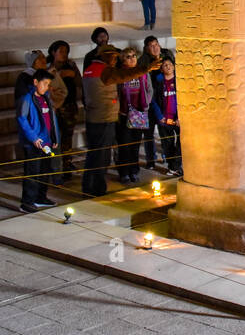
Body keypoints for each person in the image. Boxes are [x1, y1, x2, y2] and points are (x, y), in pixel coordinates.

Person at [81, 44, 160, 197]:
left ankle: (90, 186)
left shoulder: (90, 69)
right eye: (113, 56)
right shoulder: (103, 70)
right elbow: (123, 76)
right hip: (103, 119)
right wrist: (146, 68)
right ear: (105, 55)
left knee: (95, 155)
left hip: (96, 117)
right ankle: (95, 189)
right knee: (100, 157)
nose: (115, 59)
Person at [16, 69, 60, 212]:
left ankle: (41, 197)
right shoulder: (26, 98)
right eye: (45, 83)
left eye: (48, 84)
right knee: (32, 172)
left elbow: (51, 120)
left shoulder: (46, 97)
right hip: (34, 143)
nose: (47, 87)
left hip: (47, 142)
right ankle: (27, 201)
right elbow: (22, 119)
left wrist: (54, 137)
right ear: (35, 82)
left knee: (44, 171)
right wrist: (33, 137)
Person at [115, 46, 154, 183]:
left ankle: (134, 170)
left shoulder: (143, 72)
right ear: (123, 60)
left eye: (133, 56)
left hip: (140, 113)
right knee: (125, 145)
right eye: (128, 57)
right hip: (125, 113)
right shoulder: (121, 74)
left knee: (135, 145)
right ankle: (124, 172)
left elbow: (149, 90)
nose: (132, 59)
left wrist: (145, 105)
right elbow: (117, 92)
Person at [47, 40, 82, 180]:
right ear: (53, 52)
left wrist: (72, 74)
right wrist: (59, 75)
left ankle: (67, 163)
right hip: (54, 107)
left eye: (66, 51)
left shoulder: (71, 65)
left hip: (69, 106)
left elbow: (79, 82)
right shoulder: (48, 67)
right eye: (60, 51)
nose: (64, 54)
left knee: (68, 136)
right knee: (54, 137)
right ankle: (55, 166)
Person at [141, 35, 172, 169]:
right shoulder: (143, 60)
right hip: (150, 99)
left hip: (164, 98)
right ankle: (150, 159)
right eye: (151, 46)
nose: (155, 48)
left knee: (164, 130)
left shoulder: (167, 54)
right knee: (149, 133)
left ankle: (167, 155)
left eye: (156, 44)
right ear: (147, 49)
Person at [151, 57, 183, 176]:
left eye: (170, 64)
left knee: (181, 144)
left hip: (178, 119)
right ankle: (172, 167)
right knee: (167, 144)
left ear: (174, 66)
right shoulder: (158, 83)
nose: (168, 66)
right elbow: (153, 101)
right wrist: (160, 116)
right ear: (161, 69)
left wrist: (181, 117)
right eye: (165, 65)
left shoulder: (180, 80)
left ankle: (176, 166)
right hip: (164, 120)